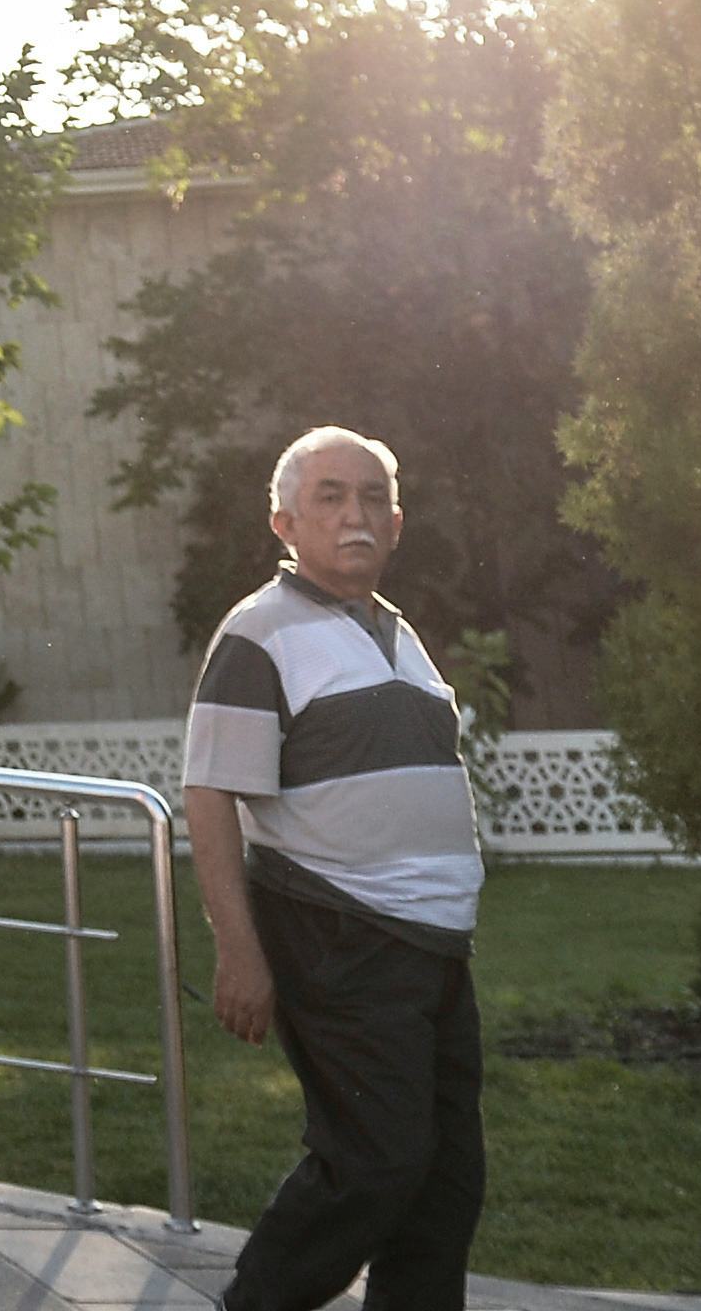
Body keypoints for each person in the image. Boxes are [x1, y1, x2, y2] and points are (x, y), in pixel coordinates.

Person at [184, 427, 485, 1311]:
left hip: (434, 945)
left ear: (397, 523)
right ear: (285, 522)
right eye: (330, 496)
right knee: (375, 1161)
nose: (356, 513)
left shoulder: (399, 633)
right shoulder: (260, 632)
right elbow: (209, 794)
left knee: (446, 1181)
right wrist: (239, 953)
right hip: (338, 932)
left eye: (372, 498)